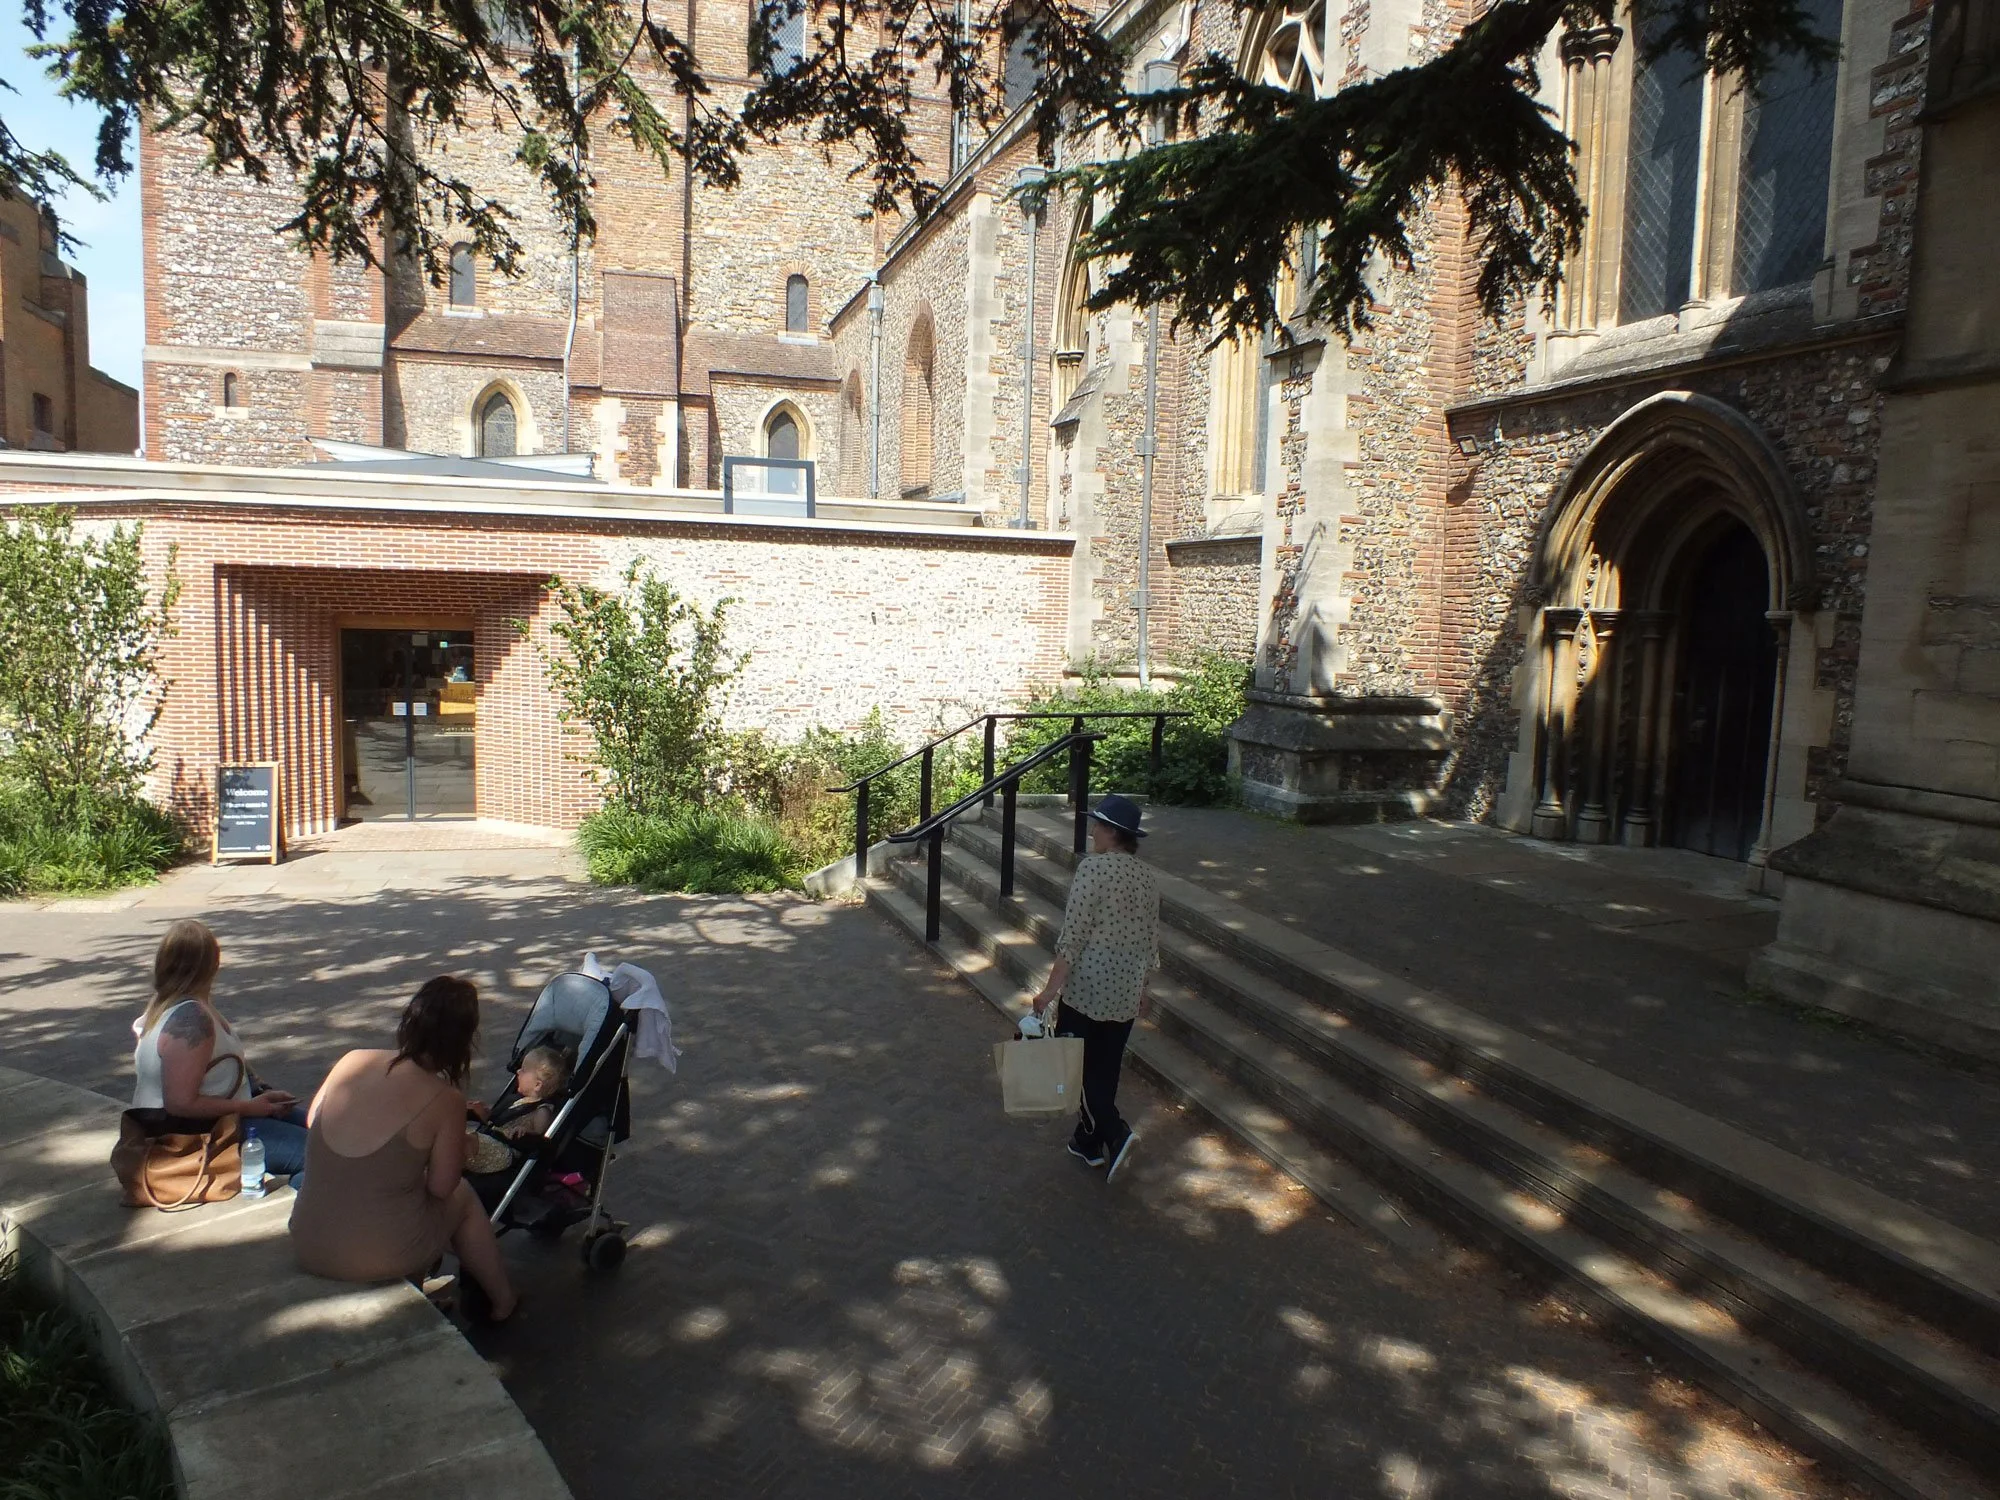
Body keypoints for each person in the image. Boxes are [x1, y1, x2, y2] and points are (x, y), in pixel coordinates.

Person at [289, 976, 518, 1321]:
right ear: (463, 1043)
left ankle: (418, 1291)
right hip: (376, 1253)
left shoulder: (352, 1060)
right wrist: (459, 1149)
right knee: (462, 1196)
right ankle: (503, 1301)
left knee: (390, 1193)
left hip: (306, 1239)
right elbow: (442, 1187)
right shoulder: (446, 1099)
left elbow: (313, 1120)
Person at [1031, 793, 1159, 1182]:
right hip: (1125, 985)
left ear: (1112, 832)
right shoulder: (1148, 877)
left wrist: (1050, 990)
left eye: (1098, 826)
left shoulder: (1092, 870)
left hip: (1088, 985)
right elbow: (1151, 939)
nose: (1092, 832)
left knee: (1080, 1070)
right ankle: (1086, 1143)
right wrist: (1144, 988)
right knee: (1106, 1067)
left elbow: (1073, 936)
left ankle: (1117, 1134)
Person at [131, 919, 308, 1182]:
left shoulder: (168, 1006)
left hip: (223, 1120)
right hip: (202, 1134)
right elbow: (180, 1103)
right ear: (213, 964)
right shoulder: (191, 1018)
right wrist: (250, 1107)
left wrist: (262, 1094)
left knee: (329, 1131)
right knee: (320, 1156)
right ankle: (307, 1217)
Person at [475, 1045, 571, 1142]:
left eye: (524, 1070)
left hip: (505, 1149)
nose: (518, 1071)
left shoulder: (542, 1111)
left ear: (537, 1085)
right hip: (490, 1137)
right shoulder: (515, 1099)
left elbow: (540, 1137)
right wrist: (484, 1113)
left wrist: (527, 1132)